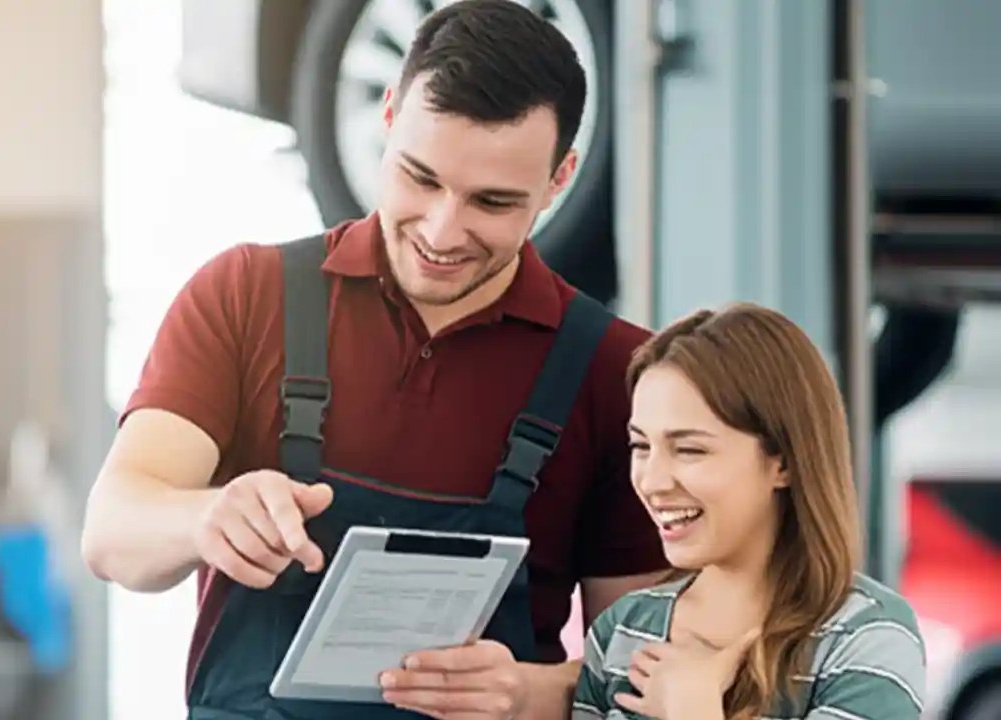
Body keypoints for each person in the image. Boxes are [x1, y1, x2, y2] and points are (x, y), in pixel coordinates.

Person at [81, 1, 671, 717]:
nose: (442, 230)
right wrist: (205, 518)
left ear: (559, 178)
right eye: (421, 179)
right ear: (387, 115)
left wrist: (534, 693)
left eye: (491, 202)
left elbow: (644, 674)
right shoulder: (244, 296)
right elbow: (114, 535)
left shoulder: (616, 372)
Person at [572, 303, 926, 720]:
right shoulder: (623, 630)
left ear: (784, 462)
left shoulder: (865, 635)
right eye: (641, 447)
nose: (653, 481)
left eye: (689, 450)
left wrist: (694, 710)